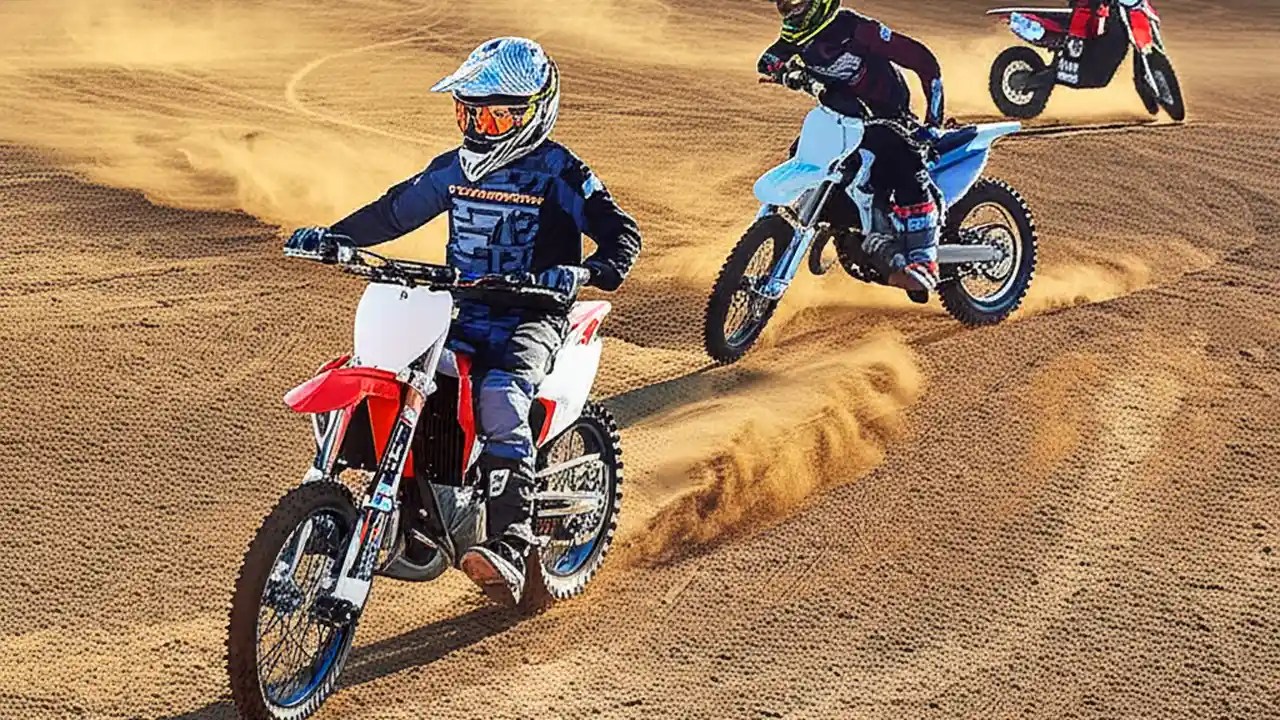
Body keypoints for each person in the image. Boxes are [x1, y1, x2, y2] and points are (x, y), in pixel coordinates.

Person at [283, 37, 641, 607]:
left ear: (535, 111)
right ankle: (384, 506)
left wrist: (588, 271)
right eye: (469, 113)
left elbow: (621, 232)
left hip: (530, 316)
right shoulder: (454, 169)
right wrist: (335, 237)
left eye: (497, 115)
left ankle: (512, 540)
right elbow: (394, 211)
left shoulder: (558, 170)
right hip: (461, 307)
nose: (481, 126)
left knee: (499, 395)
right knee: (388, 371)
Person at [757, 0, 947, 294]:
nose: (790, 11)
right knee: (801, 154)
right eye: (784, 4)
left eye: (795, 3)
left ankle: (924, 259)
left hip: (886, 115)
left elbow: (924, 61)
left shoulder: (857, 29)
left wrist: (934, 121)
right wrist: (789, 74)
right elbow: (768, 59)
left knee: (905, 165)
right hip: (842, 119)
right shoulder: (798, 37)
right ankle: (828, 222)